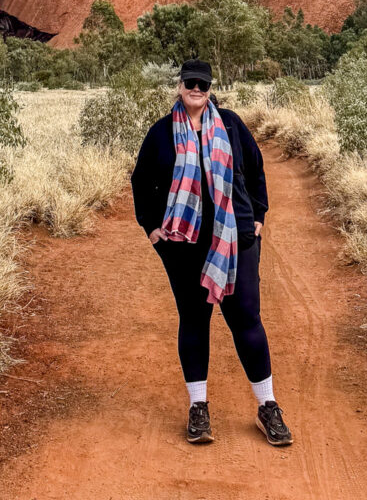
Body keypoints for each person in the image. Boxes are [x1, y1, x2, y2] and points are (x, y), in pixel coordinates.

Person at [130, 58, 293, 448]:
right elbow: (141, 181)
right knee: (194, 320)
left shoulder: (231, 125)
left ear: (210, 87)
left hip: (235, 239)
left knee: (246, 320)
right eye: (190, 82)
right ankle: (198, 407)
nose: (196, 89)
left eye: (202, 83)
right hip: (183, 244)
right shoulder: (162, 132)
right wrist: (152, 229)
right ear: (180, 85)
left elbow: (255, 169)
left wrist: (258, 216)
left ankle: (267, 407)